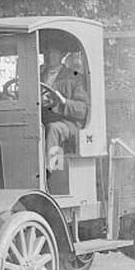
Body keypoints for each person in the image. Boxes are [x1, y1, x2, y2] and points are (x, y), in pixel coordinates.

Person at [39, 31, 90, 172]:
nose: (49, 56)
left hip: (67, 123)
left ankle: (52, 169)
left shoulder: (74, 77)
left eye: (54, 53)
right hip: (40, 120)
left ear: (62, 55)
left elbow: (83, 109)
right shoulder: (37, 75)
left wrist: (63, 102)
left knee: (54, 129)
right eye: (46, 53)